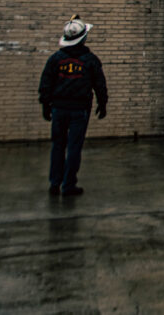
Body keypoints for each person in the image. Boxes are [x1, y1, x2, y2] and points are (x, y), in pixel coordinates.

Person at [39, 14, 107, 197]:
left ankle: (55, 183)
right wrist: (103, 103)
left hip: (58, 108)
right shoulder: (90, 60)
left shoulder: (56, 59)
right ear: (83, 37)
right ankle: (69, 184)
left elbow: (46, 83)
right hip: (79, 110)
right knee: (74, 147)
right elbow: (99, 84)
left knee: (58, 146)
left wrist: (45, 104)